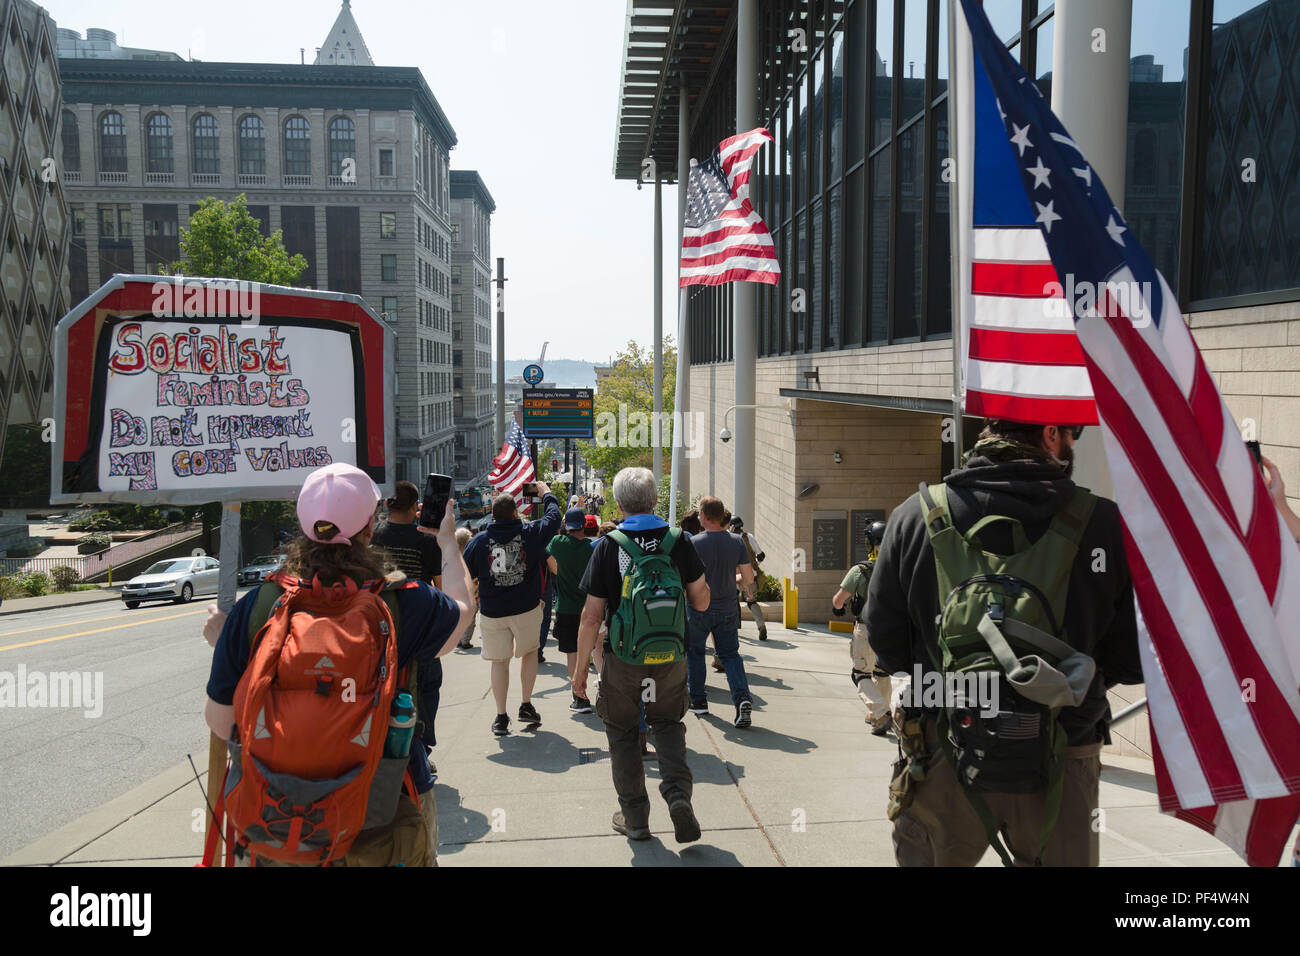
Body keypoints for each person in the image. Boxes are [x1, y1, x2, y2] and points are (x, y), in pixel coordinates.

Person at [865, 420, 1142, 867]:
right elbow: (1133, 660)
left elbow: (887, 644)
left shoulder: (914, 517)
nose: (1073, 446)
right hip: (1064, 752)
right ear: (1051, 433)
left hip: (945, 745)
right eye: (1074, 435)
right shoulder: (1104, 523)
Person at [203, 463, 473, 866]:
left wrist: (226, 641)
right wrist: (447, 542)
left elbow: (223, 722)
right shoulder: (402, 601)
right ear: (369, 527)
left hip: (281, 822)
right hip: (383, 810)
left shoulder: (258, 608)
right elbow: (463, 613)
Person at [576, 467, 709, 842]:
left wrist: (581, 670)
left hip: (623, 657)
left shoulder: (609, 544)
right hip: (670, 654)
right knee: (667, 724)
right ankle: (679, 797)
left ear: (619, 504)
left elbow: (591, 616)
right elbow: (700, 600)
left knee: (622, 731)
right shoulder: (678, 540)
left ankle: (635, 819)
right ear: (654, 500)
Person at [462, 482, 562, 736]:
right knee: (529, 653)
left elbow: (465, 574)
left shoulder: (479, 541)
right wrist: (546, 492)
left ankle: (500, 716)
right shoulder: (530, 533)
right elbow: (554, 517)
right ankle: (526, 704)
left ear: (492, 515)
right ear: (515, 513)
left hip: (493, 611)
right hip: (526, 607)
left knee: (499, 662)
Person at [372, 480, 444, 776]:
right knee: (427, 687)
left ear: (386, 505)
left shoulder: (373, 537)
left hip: (379, 626)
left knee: (384, 688)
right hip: (420, 628)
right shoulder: (426, 540)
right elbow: (441, 587)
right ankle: (421, 750)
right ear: (417, 508)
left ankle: (387, 749)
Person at [686, 496, 756, 728]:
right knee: (730, 655)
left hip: (698, 607)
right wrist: (731, 577)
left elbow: (686, 579)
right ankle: (742, 698)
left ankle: (698, 701)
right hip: (727, 608)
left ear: (704, 516)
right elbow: (748, 578)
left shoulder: (694, 543)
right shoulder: (736, 542)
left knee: (695, 653)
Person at [832, 520, 890, 736]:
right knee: (882, 673)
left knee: (860, 674)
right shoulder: (897, 567)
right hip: (890, 630)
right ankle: (876, 715)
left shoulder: (860, 570)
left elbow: (839, 601)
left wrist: (838, 608)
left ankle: (882, 713)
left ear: (869, 542)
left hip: (866, 629)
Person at [547, 507, 596, 713]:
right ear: (583, 526)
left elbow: (549, 560)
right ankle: (596, 692)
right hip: (590, 608)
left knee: (572, 654)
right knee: (593, 652)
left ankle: (579, 695)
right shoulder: (591, 547)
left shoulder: (558, 544)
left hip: (566, 608)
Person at [729, 515, 769, 641]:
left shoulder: (730, 539)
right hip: (750, 576)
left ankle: (733, 627)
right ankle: (761, 625)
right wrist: (754, 565)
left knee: (731, 599)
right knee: (751, 602)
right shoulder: (749, 537)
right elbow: (761, 555)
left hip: (735, 576)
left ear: (732, 526)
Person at [454, 526, 478, 650]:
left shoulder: (453, 556)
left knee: (460, 617)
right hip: (471, 591)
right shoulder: (471, 554)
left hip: (457, 591)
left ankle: (458, 639)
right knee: (471, 617)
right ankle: (465, 641)